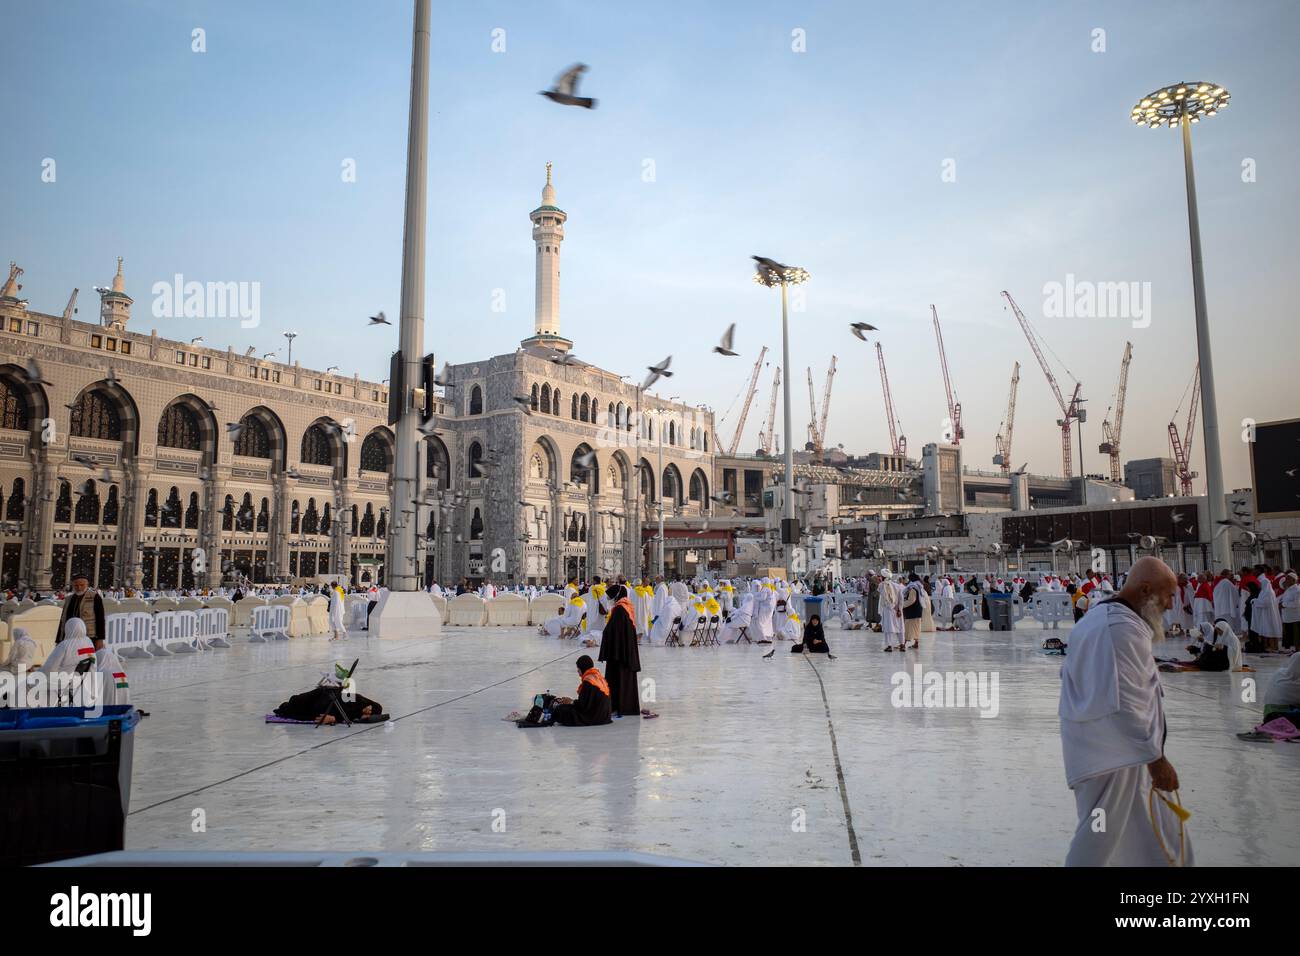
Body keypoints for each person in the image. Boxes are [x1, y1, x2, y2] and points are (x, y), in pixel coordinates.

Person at [1058, 556, 1192, 866]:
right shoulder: (1118, 629)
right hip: (1111, 755)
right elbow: (1127, 702)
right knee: (1099, 835)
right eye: (1168, 595)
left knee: (1145, 833)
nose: (1171, 604)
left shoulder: (1109, 619)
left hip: (1118, 751)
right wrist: (1156, 760)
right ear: (1145, 590)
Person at [598, 585, 643, 718]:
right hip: (625, 651)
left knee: (618, 680)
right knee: (625, 680)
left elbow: (613, 631)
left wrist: (606, 633)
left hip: (618, 653)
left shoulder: (619, 609)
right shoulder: (627, 606)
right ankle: (627, 706)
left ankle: (619, 706)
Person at [551, 655, 612, 727]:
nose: (578, 671)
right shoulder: (598, 677)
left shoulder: (588, 681)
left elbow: (583, 706)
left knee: (561, 709)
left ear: (583, 668)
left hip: (595, 717)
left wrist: (571, 702)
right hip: (605, 716)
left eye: (579, 669)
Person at [58, 573, 106, 646]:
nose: (79, 588)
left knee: (86, 656)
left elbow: (100, 619)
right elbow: (63, 620)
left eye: (82, 585)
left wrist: (100, 639)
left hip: (89, 637)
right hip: (70, 637)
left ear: (87, 585)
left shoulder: (94, 597)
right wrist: (59, 639)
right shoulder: (69, 599)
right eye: (76, 585)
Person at [880, 572, 904, 652]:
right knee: (900, 627)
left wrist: (891, 607)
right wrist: (899, 609)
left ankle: (889, 645)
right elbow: (901, 599)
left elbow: (885, 599)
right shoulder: (898, 586)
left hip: (888, 610)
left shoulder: (882, 586)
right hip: (897, 610)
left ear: (884, 577)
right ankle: (902, 645)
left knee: (888, 628)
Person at [901, 574, 923, 649]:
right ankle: (916, 643)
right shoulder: (919, 586)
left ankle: (903, 644)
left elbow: (911, 600)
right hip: (917, 611)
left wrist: (902, 605)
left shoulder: (913, 588)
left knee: (908, 628)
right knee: (916, 627)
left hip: (912, 611)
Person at [1280, 573, 1300, 650]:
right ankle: (1295, 651)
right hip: (1288, 617)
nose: (1286, 580)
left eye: (1288, 579)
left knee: (1297, 636)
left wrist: (1284, 604)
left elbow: (1296, 604)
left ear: (1293, 580)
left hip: (1295, 618)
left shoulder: (1297, 590)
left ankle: (1298, 651)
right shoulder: (1288, 589)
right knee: (1292, 636)